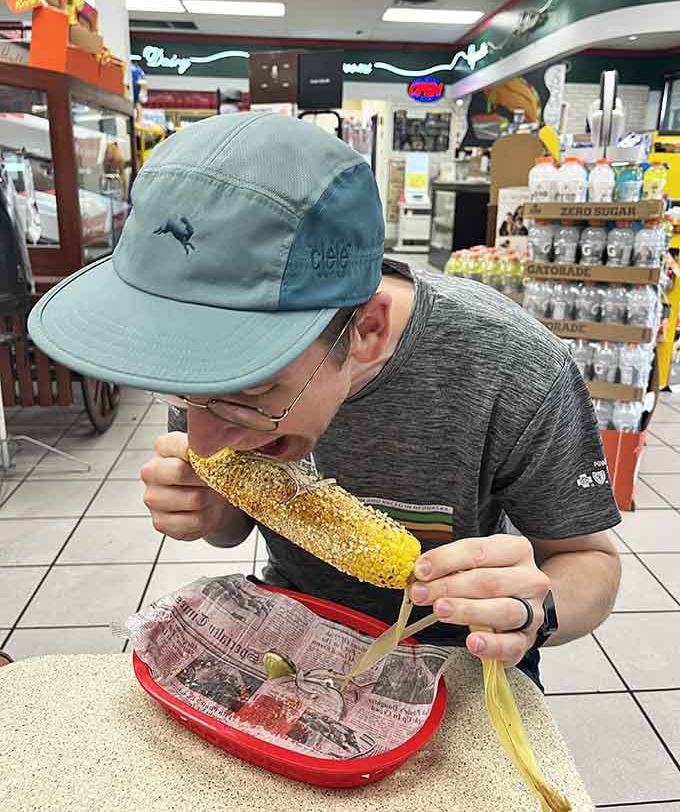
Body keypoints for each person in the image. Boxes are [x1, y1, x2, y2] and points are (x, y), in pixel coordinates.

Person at [29, 113, 621, 689]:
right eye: (188, 395)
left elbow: (591, 561)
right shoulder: (201, 350)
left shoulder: (516, 370)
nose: (202, 436)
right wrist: (213, 514)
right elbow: (233, 528)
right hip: (287, 632)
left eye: (252, 393)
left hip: (456, 655)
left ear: (366, 330)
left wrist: (534, 610)